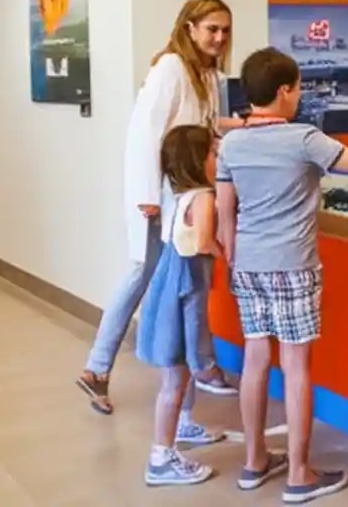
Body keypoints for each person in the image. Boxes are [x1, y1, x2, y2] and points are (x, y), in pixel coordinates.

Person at [216, 47, 348, 504]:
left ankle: (254, 461)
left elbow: (226, 211)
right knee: (296, 365)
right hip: (291, 264)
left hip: (247, 264)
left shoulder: (232, 143)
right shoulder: (304, 138)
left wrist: (234, 257)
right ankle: (300, 474)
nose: (301, 94)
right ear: (285, 92)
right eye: (299, 87)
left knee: (254, 360)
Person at [76, 0, 237, 418]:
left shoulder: (206, 74)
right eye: (211, 29)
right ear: (189, 28)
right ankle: (107, 368)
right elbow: (145, 132)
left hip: (180, 191)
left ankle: (117, 370)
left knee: (176, 277)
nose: (219, 38)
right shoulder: (170, 68)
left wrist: (241, 124)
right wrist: (147, 196)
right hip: (162, 196)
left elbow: (199, 125)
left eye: (224, 30)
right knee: (150, 274)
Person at [136, 125, 222, 487]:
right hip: (185, 286)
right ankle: (161, 458)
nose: (218, 161)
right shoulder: (203, 197)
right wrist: (228, 252)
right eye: (214, 154)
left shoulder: (177, 194)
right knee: (176, 376)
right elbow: (203, 242)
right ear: (198, 161)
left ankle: (181, 426)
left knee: (177, 374)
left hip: (170, 282)